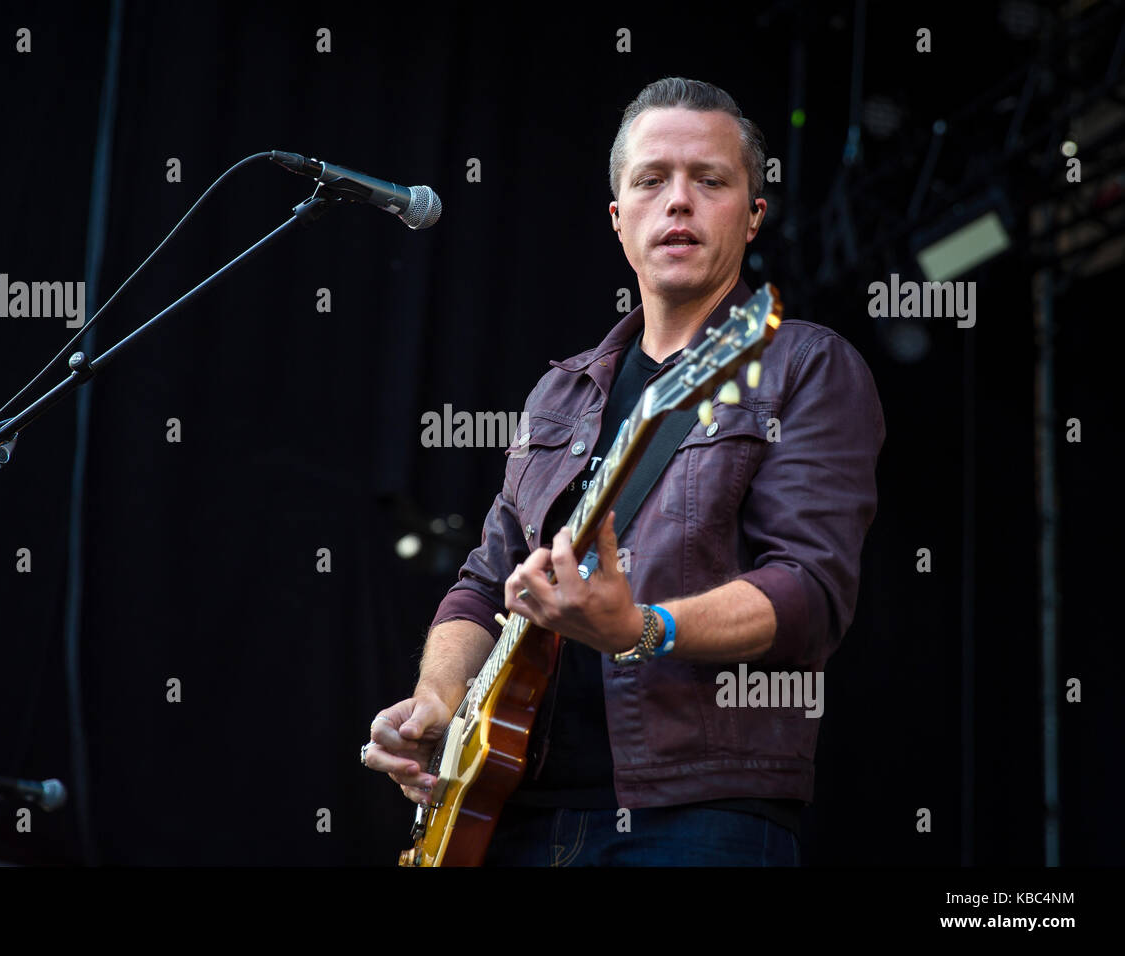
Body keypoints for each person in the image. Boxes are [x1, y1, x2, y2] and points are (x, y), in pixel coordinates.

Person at [363, 77, 885, 866]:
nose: (679, 202)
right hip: (504, 814)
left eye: (710, 181)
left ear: (753, 216)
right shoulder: (558, 393)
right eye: (651, 180)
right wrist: (439, 702)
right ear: (618, 219)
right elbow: (482, 583)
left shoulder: (802, 365)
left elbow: (810, 592)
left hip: (696, 816)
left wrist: (641, 630)